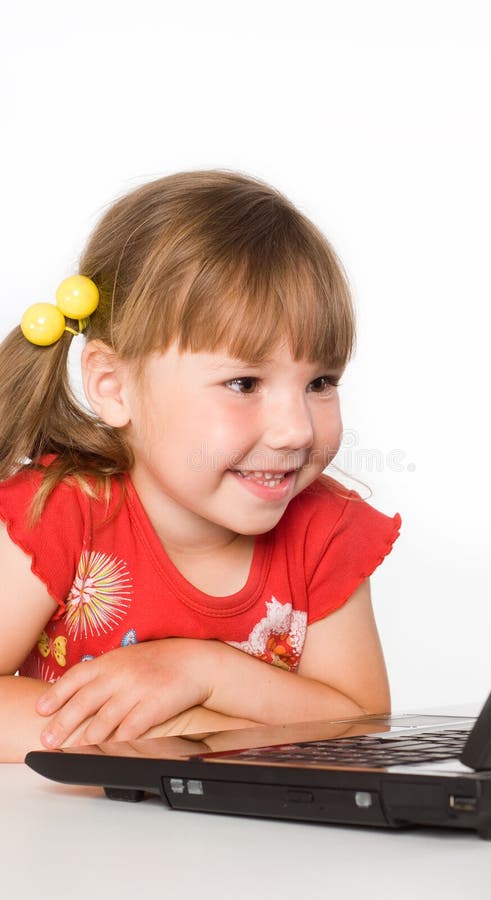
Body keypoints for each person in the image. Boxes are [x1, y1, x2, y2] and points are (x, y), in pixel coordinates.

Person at [0, 171, 400, 763]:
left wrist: (204, 672)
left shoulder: (326, 531)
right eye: (244, 383)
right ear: (113, 387)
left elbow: (361, 725)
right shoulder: (59, 510)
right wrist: (180, 730)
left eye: (320, 382)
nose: (296, 430)